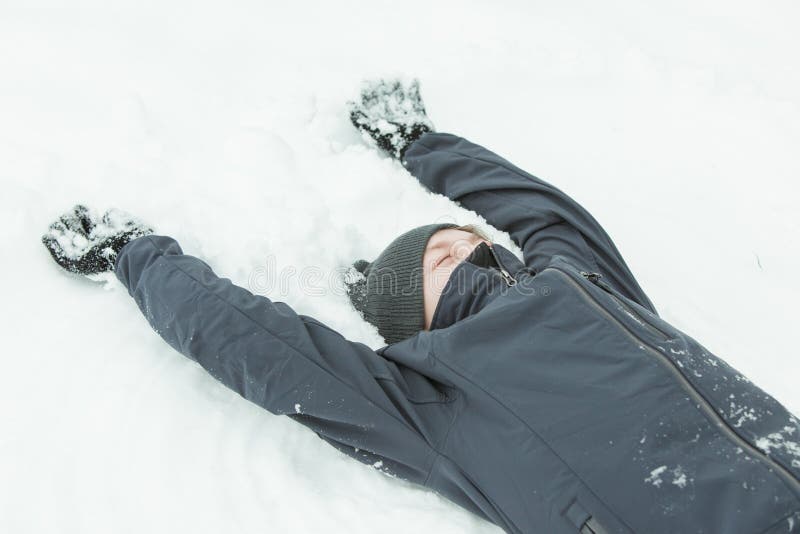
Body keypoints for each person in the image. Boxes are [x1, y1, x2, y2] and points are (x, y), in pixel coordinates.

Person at [42, 79, 800, 534]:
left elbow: (540, 212)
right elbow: (259, 346)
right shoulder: (431, 397)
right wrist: (136, 256)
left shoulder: (579, 281)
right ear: (411, 313)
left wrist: (418, 143)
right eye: (436, 257)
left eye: (466, 240)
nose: (466, 251)